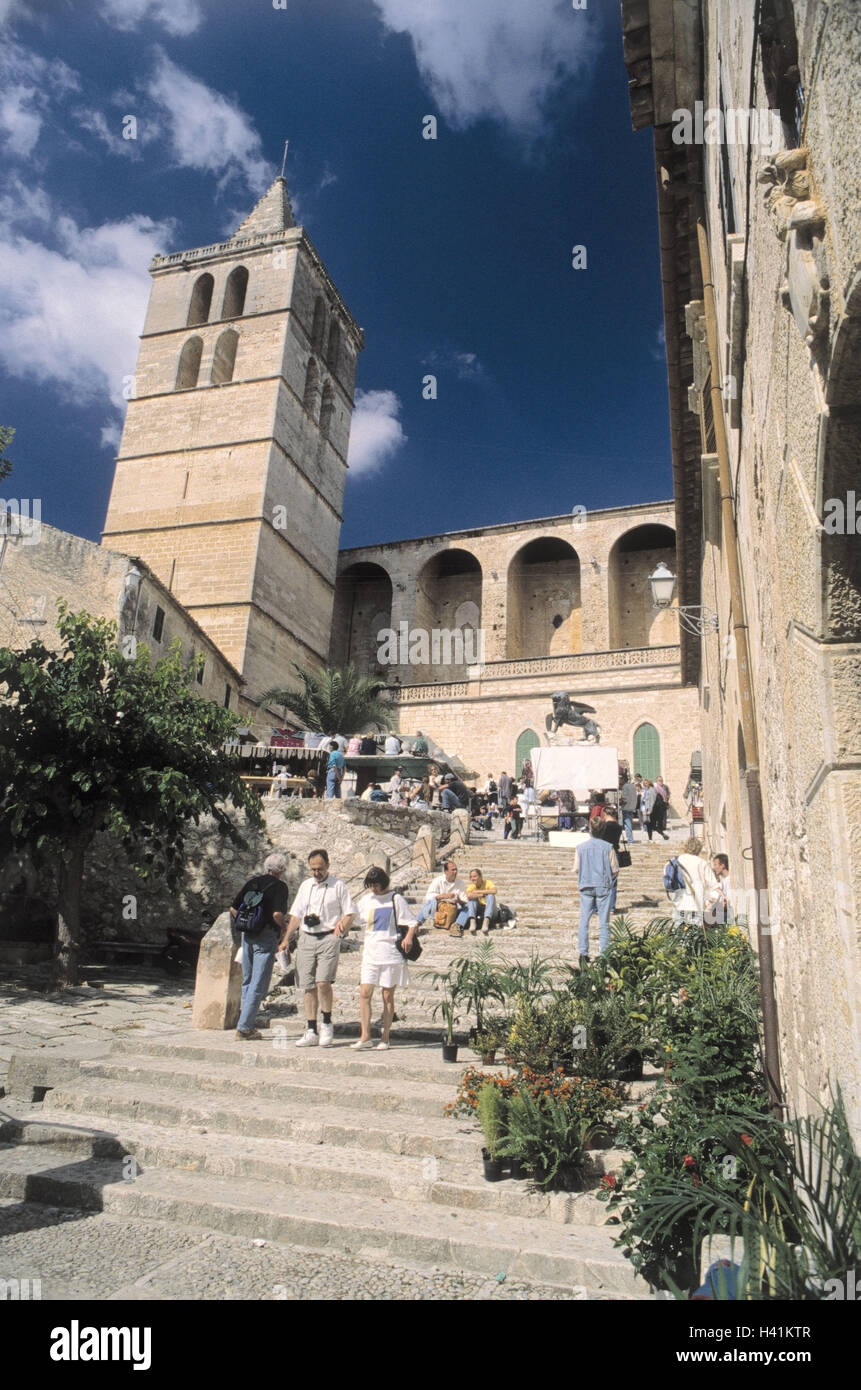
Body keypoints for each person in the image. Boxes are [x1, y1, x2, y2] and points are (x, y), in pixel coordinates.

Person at [282, 849, 354, 1047]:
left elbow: (350, 913)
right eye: (313, 869)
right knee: (307, 985)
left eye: (319, 869)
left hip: (328, 937)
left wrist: (342, 927)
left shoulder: (338, 886)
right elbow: (296, 914)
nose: (316, 873)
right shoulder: (306, 886)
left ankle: (327, 1023)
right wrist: (286, 939)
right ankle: (311, 1028)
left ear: (328, 865)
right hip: (306, 938)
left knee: (323, 982)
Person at [352, 866, 418, 1050]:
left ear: (383, 883)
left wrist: (408, 937)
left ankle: (385, 1037)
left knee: (387, 995)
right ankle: (365, 1036)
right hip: (371, 952)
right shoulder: (367, 900)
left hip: (390, 953)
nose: (373, 889)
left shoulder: (395, 899)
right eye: (370, 885)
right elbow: (355, 917)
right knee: (365, 992)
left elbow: (411, 922)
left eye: (375, 885)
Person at [231, 852, 291, 1040]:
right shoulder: (280, 887)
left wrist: (247, 924)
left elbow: (233, 909)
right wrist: (285, 927)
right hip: (265, 936)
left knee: (247, 980)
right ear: (281, 870)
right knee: (259, 983)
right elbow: (276, 914)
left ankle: (244, 1021)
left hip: (247, 935)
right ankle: (245, 1027)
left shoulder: (253, 883)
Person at [573, 817, 619, 964]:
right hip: (603, 885)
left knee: (584, 919)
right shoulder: (608, 847)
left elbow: (576, 868)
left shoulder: (580, 848)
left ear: (590, 830)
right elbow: (615, 869)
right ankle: (604, 952)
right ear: (603, 830)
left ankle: (583, 952)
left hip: (586, 884)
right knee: (604, 921)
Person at [670, 837, 719, 927]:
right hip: (696, 904)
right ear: (699, 848)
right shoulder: (702, 863)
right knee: (695, 934)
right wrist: (715, 899)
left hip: (680, 903)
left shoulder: (677, 861)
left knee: (678, 934)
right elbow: (713, 884)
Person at [416, 859, 466, 929]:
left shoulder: (460, 883)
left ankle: (457, 926)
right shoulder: (438, 880)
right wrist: (443, 896)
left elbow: (464, 900)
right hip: (440, 908)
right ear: (446, 872)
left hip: (454, 908)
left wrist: (458, 900)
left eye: (456, 870)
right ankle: (417, 923)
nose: (455, 872)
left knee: (467, 907)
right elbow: (429, 896)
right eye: (453, 870)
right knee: (431, 902)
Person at [597, 806, 624, 913]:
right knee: (613, 881)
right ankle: (611, 907)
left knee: (600, 880)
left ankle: (599, 906)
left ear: (606, 814)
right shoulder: (618, 826)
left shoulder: (604, 826)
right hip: (615, 853)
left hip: (604, 853)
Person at [455, 868, 498, 935]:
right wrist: (481, 895)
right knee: (472, 899)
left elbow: (494, 891)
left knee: (490, 896)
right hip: (480, 910)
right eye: (471, 877)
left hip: (491, 910)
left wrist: (478, 892)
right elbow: (468, 895)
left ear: (480, 876)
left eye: (475, 876)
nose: (473, 878)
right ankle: (472, 921)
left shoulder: (487, 883)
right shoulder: (472, 887)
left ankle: (486, 921)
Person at [705, 852, 734, 925]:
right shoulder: (724, 881)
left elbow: (728, 901)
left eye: (715, 864)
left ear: (723, 865)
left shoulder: (729, 881)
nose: (714, 868)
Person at [619, 776, 639, 843]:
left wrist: (620, 801)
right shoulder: (633, 786)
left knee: (627, 824)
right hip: (632, 807)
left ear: (623, 780)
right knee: (629, 823)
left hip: (626, 807)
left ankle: (630, 839)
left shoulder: (625, 787)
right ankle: (630, 839)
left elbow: (625, 798)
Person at [651, 775, 670, 840]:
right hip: (658, 804)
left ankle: (663, 827)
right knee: (658, 816)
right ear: (657, 781)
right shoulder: (656, 787)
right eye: (659, 780)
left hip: (664, 803)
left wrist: (667, 799)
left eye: (661, 780)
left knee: (664, 816)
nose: (660, 781)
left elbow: (668, 794)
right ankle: (659, 827)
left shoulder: (665, 787)